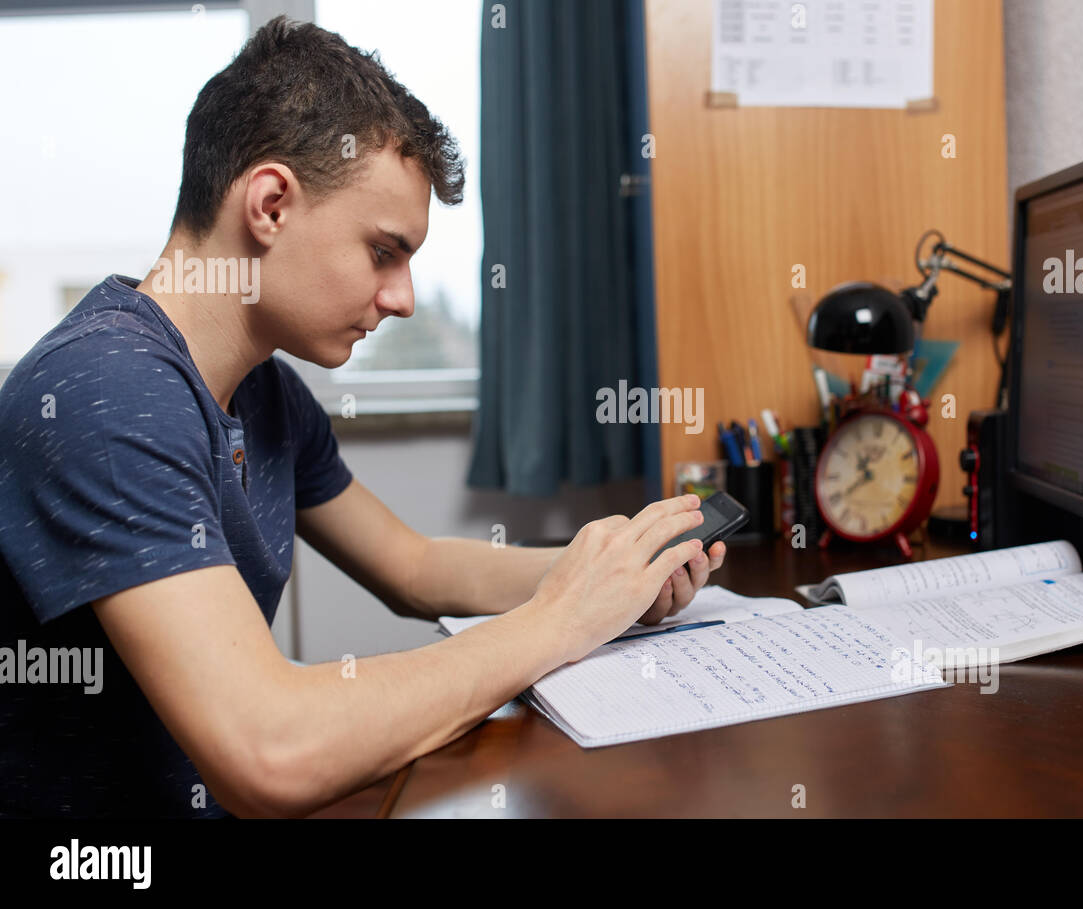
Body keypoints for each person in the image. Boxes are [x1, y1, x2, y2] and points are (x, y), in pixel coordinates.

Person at [0, 15, 724, 818]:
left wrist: (606, 571)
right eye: (384, 251)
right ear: (269, 203)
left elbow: (412, 568)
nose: (404, 297)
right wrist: (558, 621)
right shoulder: (106, 388)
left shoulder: (266, 391)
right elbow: (267, 748)